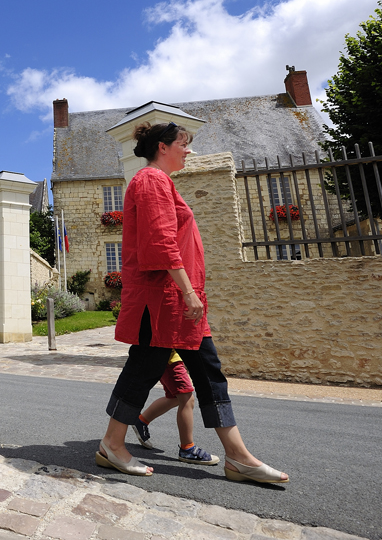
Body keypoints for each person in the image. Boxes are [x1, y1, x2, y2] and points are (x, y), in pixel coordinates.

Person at [95, 121, 288, 484]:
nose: (188, 150)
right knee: (144, 368)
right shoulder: (151, 180)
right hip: (164, 300)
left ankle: (238, 456)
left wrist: (191, 294)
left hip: (183, 303)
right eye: (183, 144)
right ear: (163, 147)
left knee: (209, 374)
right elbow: (161, 240)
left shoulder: (161, 181)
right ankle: (112, 444)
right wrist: (186, 291)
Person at [129, 350, 219, 466]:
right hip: (170, 357)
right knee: (186, 398)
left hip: (168, 356)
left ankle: (141, 421)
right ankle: (187, 448)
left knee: (175, 397)